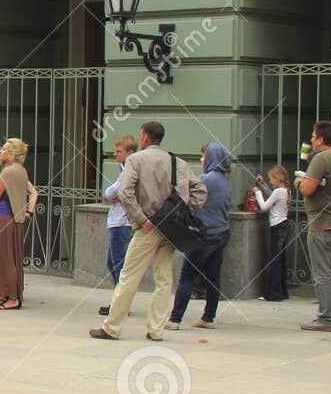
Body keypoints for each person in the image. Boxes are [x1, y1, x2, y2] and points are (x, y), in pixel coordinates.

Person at [91, 122, 207, 341]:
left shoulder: (135, 160)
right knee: (164, 278)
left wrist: (141, 218)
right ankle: (156, 330)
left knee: (128, 276)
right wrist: (184, 212)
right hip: (171, 228)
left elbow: (125, 193)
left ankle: (112, 327)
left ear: (145, 137)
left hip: (148, 227)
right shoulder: (177, 162)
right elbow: (200, 190)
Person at [167, 143, 234, 330]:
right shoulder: (225, 181)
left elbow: (184, 197)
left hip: (204, 235)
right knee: (213, 277)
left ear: (213, 158)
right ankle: (208, 318)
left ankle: (175, 319)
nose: (201, 159)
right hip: (222, 233)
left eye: (204, 156)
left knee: (187, 276)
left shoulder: (205, 180)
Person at [296, 120, 331, 332]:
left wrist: (300, 182)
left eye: (313, 137)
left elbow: (308, 189)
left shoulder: (322, 158)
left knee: (323, 273)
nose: (311, 140)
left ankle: (326, 317)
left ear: (320, 139)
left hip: (323, 223)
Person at [0, 138, 39, 311]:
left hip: (3, 217)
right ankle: (9, 293)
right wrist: (28, 211)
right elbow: (34, 193)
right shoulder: (21, 170)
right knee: (11, 258)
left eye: (4, 149)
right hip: (14, 219)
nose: (1, 151)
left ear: (12, 154)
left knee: (5, 259)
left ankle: (13, 297)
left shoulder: (8, 172)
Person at [97, 135, 139, 315]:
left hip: (122, 222)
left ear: (130, 152)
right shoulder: (124, 170)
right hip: (118, 221)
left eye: (119, 151)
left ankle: (121, 305)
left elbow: (110, 192)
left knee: (119, 265)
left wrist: (114, 195)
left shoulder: (128, 172)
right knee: (113, 262)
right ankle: (119, 301)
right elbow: (112, 194)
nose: (115, 154)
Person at [253, 165, 291, 302]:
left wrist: (258, 192)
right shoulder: (285, 190)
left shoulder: (278, 192)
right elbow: (272, 196)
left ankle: (273, 294)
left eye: (271, 179)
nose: (270, 181)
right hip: (284, 224)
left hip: (277, 226)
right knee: (280, 261)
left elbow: (264, 206)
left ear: (278, 178)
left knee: (274, 261)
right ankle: (282, 292)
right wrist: (263, 184)